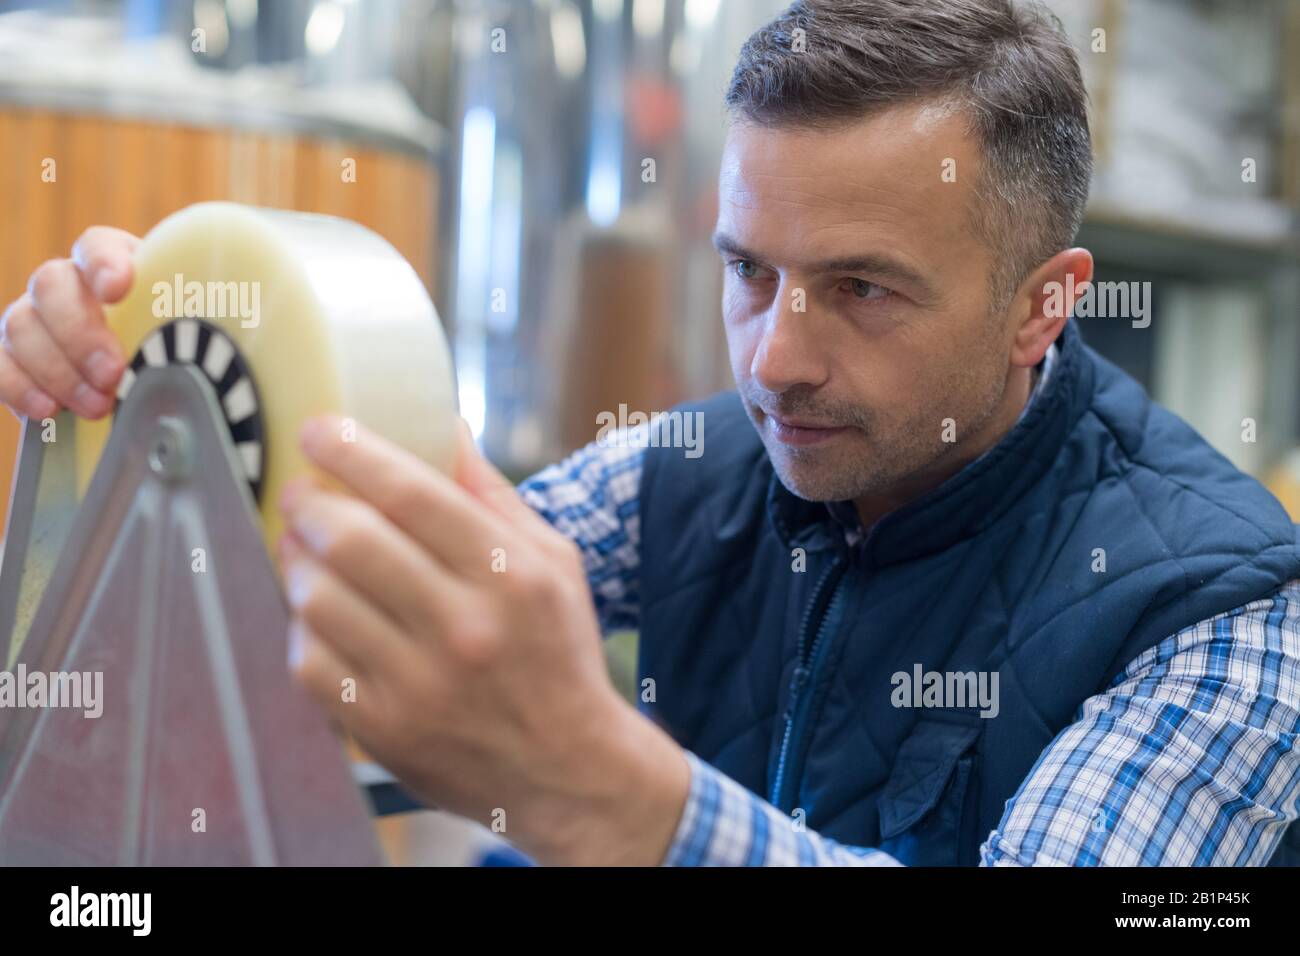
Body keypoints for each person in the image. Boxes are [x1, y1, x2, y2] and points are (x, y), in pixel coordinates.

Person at [4, 0, 1299, 866]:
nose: (776, 361)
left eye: (863, 289)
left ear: (1043, 305)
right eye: (747, 272)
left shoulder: (1224, 616)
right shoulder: (695, 470)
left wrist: (606, 789)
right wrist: (151, 394)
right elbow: (349, 591)